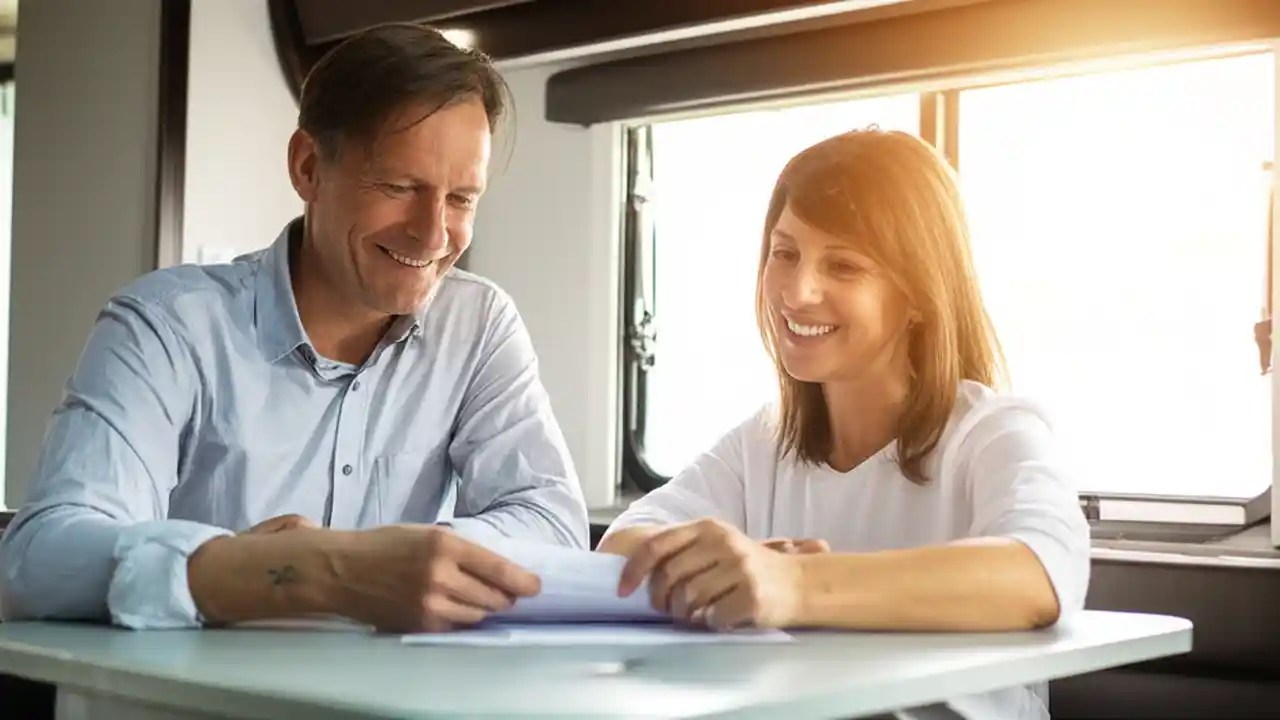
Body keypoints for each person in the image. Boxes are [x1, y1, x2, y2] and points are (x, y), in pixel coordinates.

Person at [0, 24, 588, 633]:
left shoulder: (480, 326)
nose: (434, 234)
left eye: (462, 199)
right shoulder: (167, 326)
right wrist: (294, 573)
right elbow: (38, 560)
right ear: (308, 167)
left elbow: (553, 525)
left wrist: (394, 560)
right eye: (399, 187)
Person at [598, 130, 1090, 719]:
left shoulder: (994, 433)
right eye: (785, 254)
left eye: (844, 266)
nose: (798, 292)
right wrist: (736, 566)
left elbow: (1039, 575)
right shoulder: (762, 444)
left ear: (917, 296)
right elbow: (620, 549)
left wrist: (795, 584)